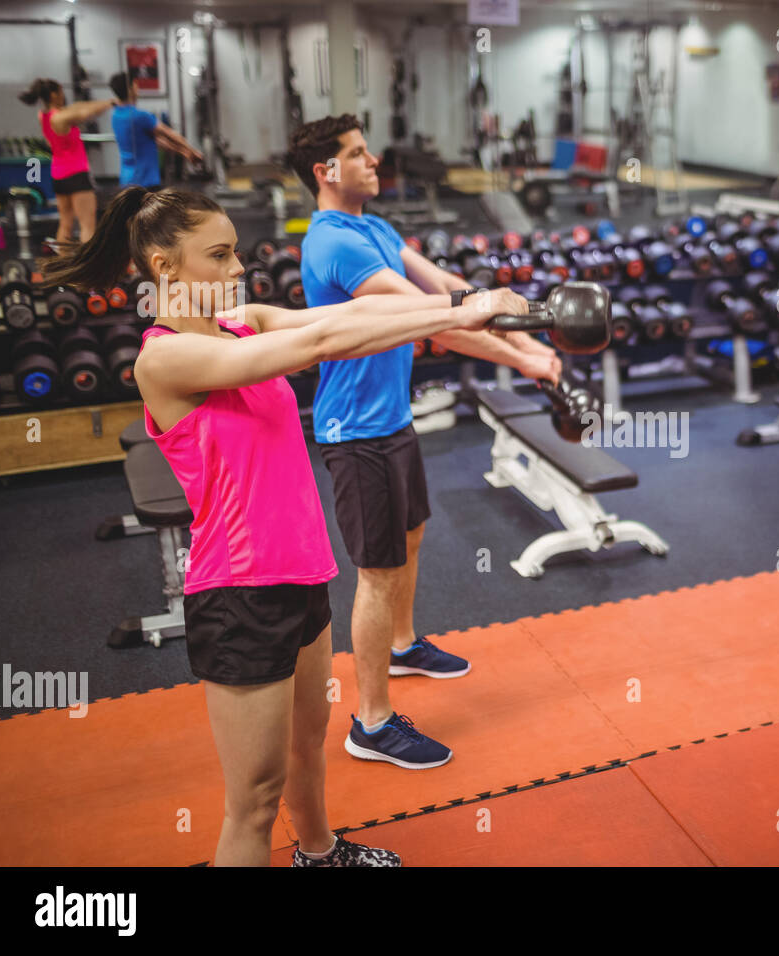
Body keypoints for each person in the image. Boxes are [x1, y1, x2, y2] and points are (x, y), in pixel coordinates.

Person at [41, 186, 529, 866]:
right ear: (165, 268)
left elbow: (352, 312)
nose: (238, 267)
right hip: (240, 594)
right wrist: (459, 308)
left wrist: (471, 308)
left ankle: (321, 852)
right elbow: (327, 338)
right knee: (254, 801)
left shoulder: (244, 322)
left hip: (303, 573)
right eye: (218, 254)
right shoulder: (165, 359)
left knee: (307, 745)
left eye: (236, 250)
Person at [286, 114, 560, 771]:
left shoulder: (374, 227)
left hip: (391, 420)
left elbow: (447, 287)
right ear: (326, 172)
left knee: (411, 536)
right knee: (377, 573)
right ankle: (372, 724)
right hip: (355, 431)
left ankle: (404, 647)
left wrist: (528, 336)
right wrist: (526, 363)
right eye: (357, 153)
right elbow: (436, 316)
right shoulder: (333, 242)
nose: (374, 158)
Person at [18, 78, 113, 245]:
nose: (64, 95)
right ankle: (88, 269)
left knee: (65, 225)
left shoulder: (43, 116)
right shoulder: (61, 118)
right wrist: (111, 103)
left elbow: (77, 108)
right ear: (54, 94)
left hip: (58, 176)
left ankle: (61, 266)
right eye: (61, 92)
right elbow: (85, 113)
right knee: (87, 226)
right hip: (76, 174)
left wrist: (105, 101)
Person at [109, 72, 203, 188]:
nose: (137, 88)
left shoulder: (115, 115)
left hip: (126, 180)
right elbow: (170, 134)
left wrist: (185, 153)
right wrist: (193, 151)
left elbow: (158, 142)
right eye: (135, 85)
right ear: (131, 88)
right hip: (146, 182)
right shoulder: (140, 116)